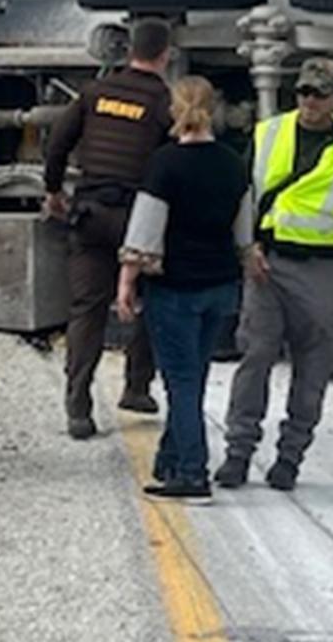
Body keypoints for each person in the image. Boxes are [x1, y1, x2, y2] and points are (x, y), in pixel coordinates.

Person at [216, 57, 333, 492]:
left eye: (319, 94)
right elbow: (241, 193)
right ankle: (238, 452)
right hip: (267, 264)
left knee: (314, 366)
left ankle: (290, 457)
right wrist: (246, 247)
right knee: (255, 356)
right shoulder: (267, 134)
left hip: (321, 268)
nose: (310, 101)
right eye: (304, 93)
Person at [114, 76, 250, 502]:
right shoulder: (233, 164)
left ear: (175, 110)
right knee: (195, 375)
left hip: (175, 285)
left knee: (181, 381)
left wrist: (126, 282)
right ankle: (170, 460)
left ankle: (192, 472)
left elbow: (145, 234)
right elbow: (243, 231)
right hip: (220, 283)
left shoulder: (165, 163)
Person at [43, 19, 175, 439]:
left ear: (127, 50)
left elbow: (58, 143)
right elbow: (171, 161)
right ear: (165, 54)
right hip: (140, 220)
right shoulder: (162, 101)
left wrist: (53, 191)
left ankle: (78, 407)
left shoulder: (94, 93)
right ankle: (137, 386)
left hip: (90, 214)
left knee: (87, 309)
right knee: (152, 301)